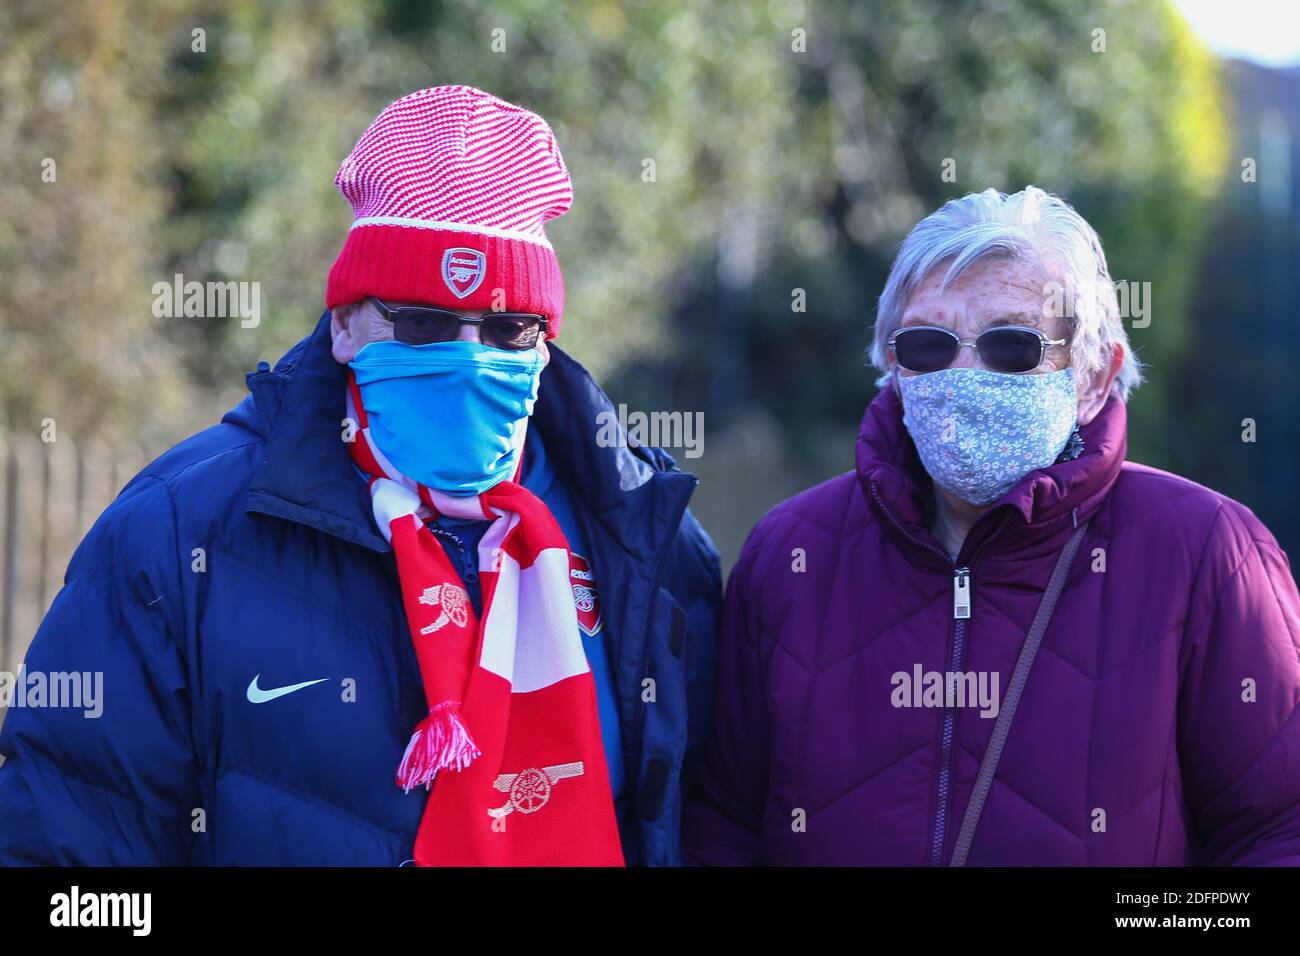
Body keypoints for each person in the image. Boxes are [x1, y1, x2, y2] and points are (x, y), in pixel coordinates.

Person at [0, 85, 720, 866]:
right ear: (344, 324)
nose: (470, 356)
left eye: (509, 328)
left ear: (544, 341)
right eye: (423, 322)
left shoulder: (654, 549)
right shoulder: (178, 533)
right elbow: (67, 863)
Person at [683, 186, 1300, 866]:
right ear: (892, 363)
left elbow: (1277, 833)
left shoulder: (1209, 552)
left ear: (1095, 375)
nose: (962, 375)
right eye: (927, 345)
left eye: (1011, 346)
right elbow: (722, 825)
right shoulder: (790, 552)